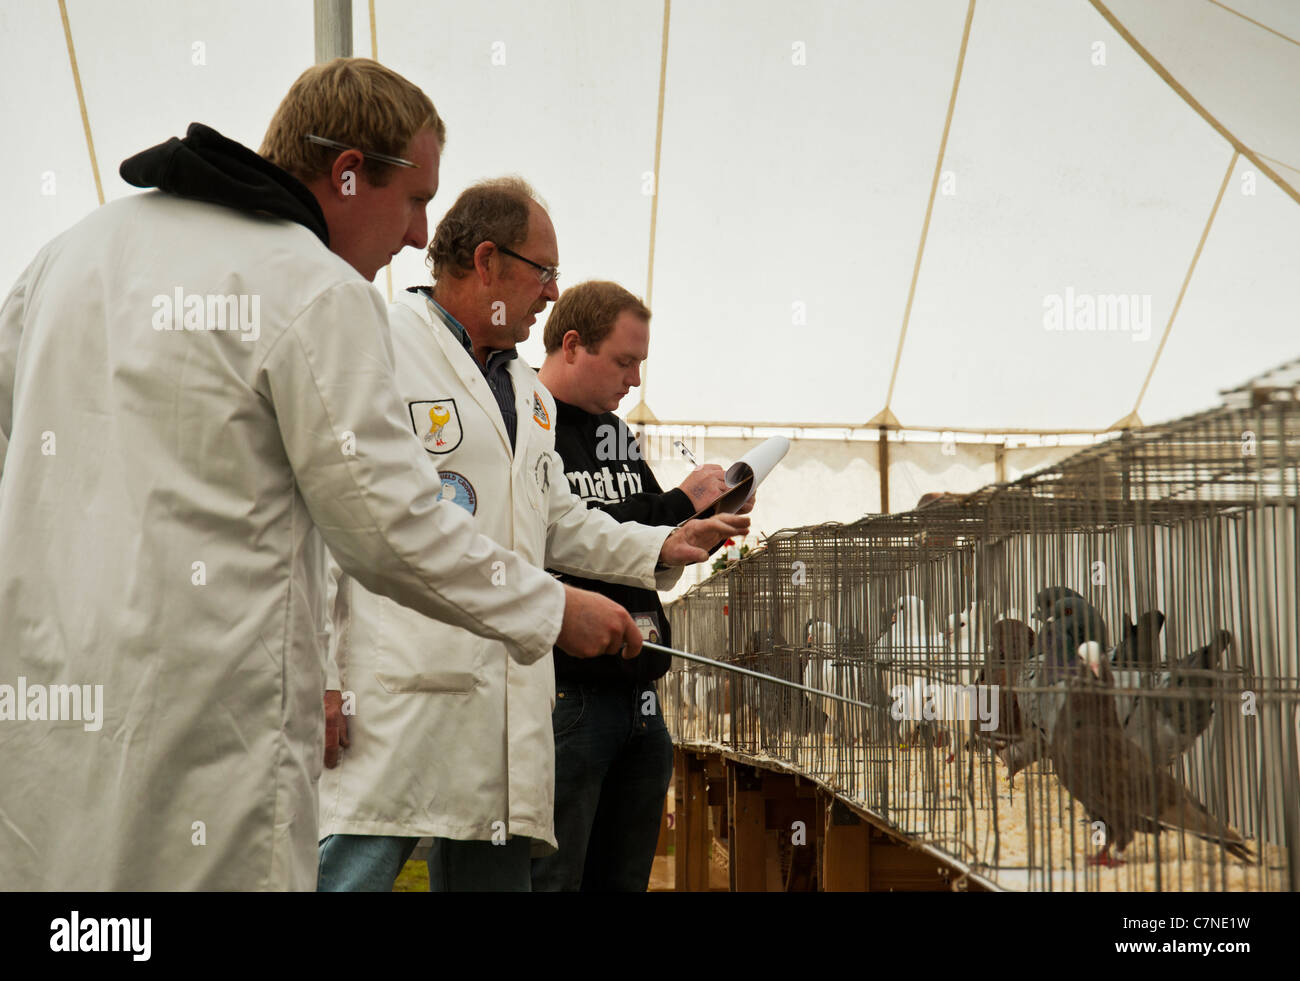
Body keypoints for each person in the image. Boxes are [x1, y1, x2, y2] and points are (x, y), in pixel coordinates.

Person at [0, 59, 668, 890]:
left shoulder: (68, 257)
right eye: (416, 199)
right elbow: (389, 526)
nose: (423, 234)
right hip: (212, 729)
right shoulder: (314, 291)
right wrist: (551, 606)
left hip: (53, 706)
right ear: (348, 173)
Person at [316, 180, 746, 892]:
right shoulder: (382, 350)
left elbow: (557, 520)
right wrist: (323, 683)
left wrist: (660, 546)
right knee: (352, 875)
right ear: (486, 261)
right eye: (542, 271)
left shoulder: (528, 392)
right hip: (392, 691)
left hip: (502, 705)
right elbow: (332, 520)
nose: (551, 293)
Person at [531, 280, 748, 891]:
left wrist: (696, 524)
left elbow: (641, 534)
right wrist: (680, 502)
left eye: (641, 365)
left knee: (623, 878)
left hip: (641, 693)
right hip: (568, 693)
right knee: (554, 875)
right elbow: (565, 534)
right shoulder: (527, 422)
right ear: (572, 345)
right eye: (624, 362)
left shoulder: (617, 434)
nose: (633, 380)